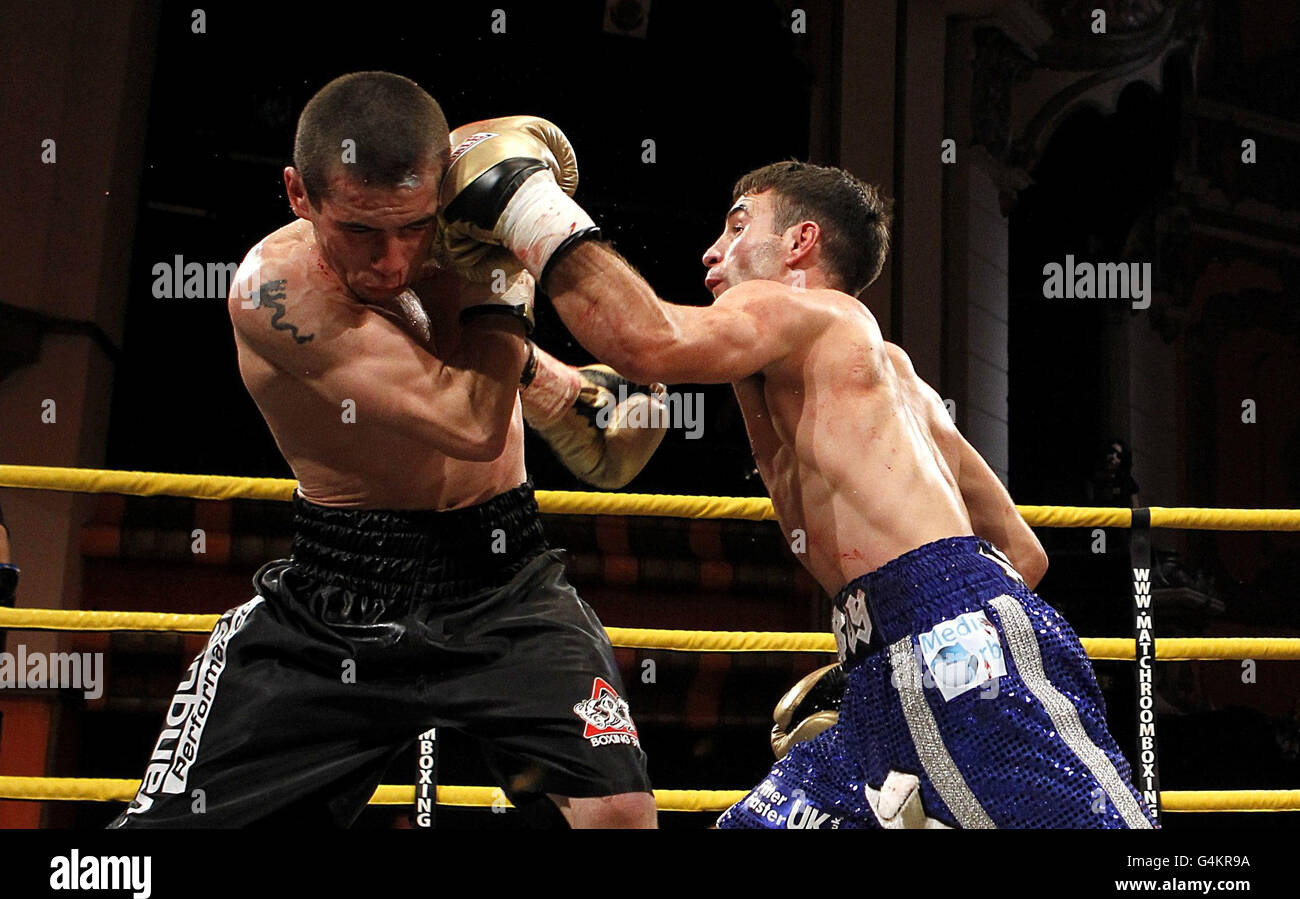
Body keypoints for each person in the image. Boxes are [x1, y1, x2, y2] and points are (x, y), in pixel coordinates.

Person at [436, 127, 1156, 828]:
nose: (711, 251)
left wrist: (528, 210)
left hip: (948, 650)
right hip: (894, 659)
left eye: (737, 225)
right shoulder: (893, 375)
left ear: (799, 243)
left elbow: (647, 340)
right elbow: (1026, 556)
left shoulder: (791, 306)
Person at [109, 73, 663, 829]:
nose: (393, 260)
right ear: (300, 195)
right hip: (339, 597)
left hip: (504, 576)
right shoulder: (275, 290)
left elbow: (487, 363)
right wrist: (509, 265)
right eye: (362, 230)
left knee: (618, 812)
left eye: (414, 226)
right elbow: (464, 416)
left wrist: (579, 397)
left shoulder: (455, 220)